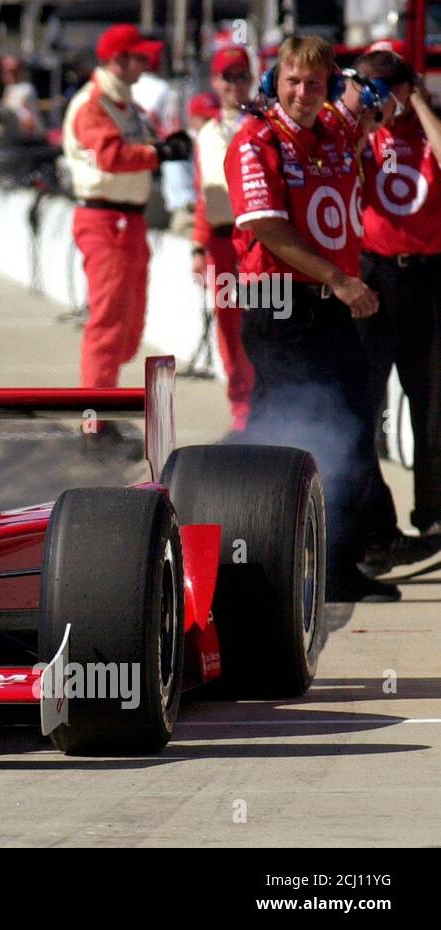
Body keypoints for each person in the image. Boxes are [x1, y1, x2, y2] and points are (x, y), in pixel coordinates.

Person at [223, 35, 400, 602]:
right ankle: (254, 553)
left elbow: (374, 103)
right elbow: (268, 229)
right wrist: (342, 280)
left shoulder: (336, 133)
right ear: (277, 81)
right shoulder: (256, 141)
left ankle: (337, 564)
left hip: (329, 305)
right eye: (293, 81)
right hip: (280, 301)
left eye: (315, 84)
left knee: (348, 427)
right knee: (289, 431)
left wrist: (380, 88)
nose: (303, 93)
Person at [61, 25, 193, 401]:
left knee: (130, 326)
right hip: (104, 220)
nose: (147, 62)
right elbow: (110, 155)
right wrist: (159, 154)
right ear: (119, 60)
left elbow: (135, 146)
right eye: (140, 56)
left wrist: (164, 145)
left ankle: (103, 405)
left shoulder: (126, 104)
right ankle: (95, 421)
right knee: (108, 323)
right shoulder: (94, 103)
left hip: (128, 219)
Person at [354, 50, 441, 556]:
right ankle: (373, 518)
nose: (385, 95)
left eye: (393, 85)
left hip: (427, 276)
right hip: (373, 274)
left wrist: (421, 104)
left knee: (431, 403)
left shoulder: (425, 129)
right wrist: (370, 114)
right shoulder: (365, 130)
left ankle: (432, 514)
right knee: (365, 401)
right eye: (373, 86)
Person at [191, 46, 256, 432]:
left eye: (240, 76)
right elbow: (204, 194)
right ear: (215, 82)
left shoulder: (263, 124)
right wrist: (199, 246)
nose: (234, 84)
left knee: (266, 318)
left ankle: (266, 404)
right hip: (221, 243)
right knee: (230, 328)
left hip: (259, 241)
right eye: (226, 77)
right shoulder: (209, 133)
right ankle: (242, 412)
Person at [0, 55, 42, 137]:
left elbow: (28, 120)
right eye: (4, 72)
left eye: (11, 72)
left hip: (28, 137)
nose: (6, 75)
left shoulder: (26, 89)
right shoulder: (9, 88)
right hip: (12, 135)